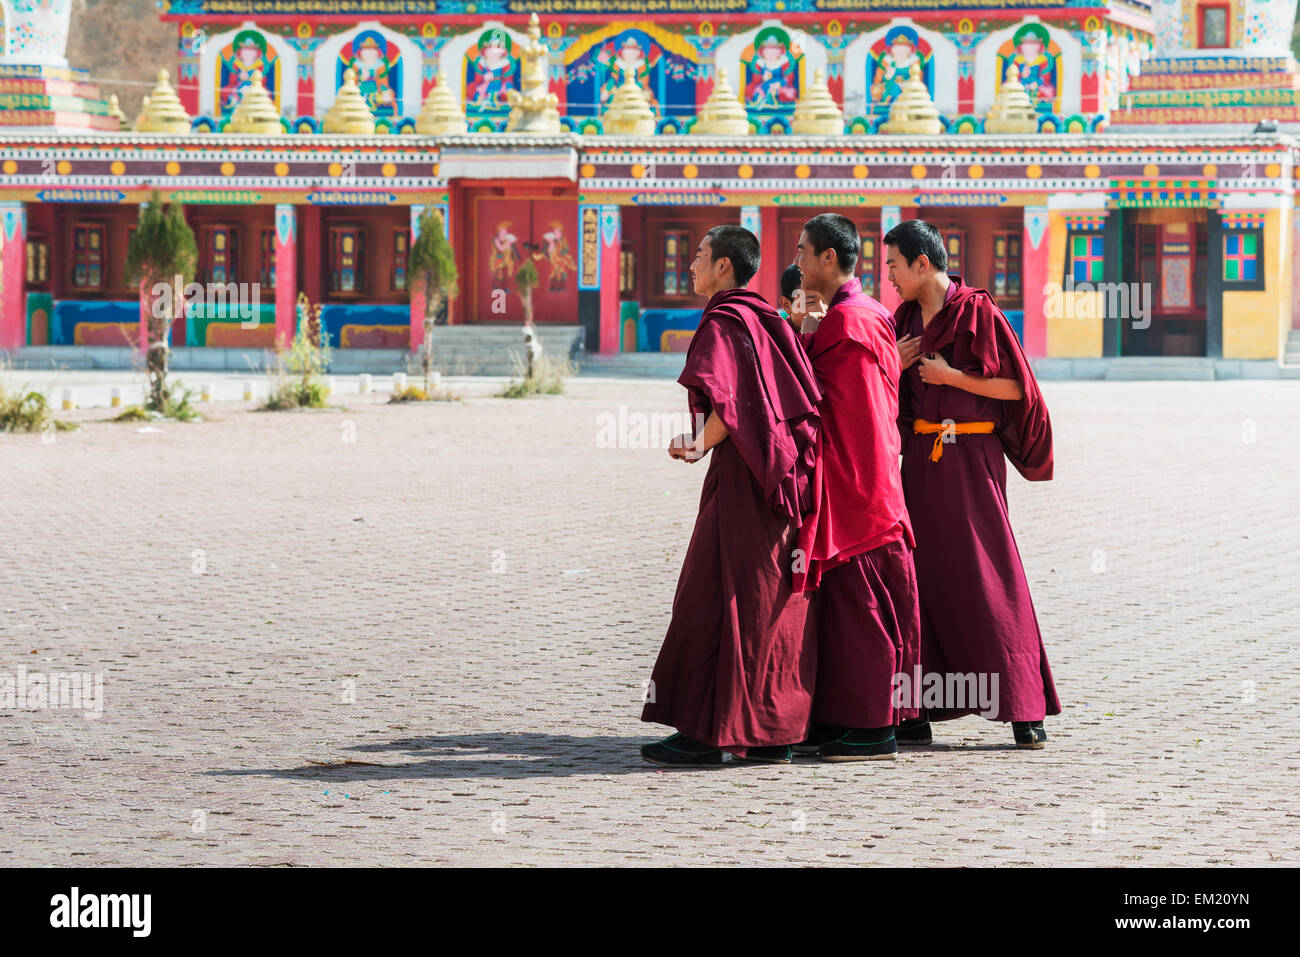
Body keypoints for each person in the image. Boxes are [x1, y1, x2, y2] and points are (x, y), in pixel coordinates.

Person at [640, 225, 823, 767]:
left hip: (745, 479)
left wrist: (699, 443)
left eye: (698, 256)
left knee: (715, 596)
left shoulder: (727, 317)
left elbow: (737, 402)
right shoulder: (764, 316)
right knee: (762, 597)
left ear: (724, 266)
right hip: (776, 476)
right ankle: (768, 732)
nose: (690, 264)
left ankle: (714, 733)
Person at [886, 219, 1059, 749]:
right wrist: (895, 364)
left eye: (893, 265)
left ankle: (1022, 707)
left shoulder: (978, 311)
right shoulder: (905, 319)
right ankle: (916, 710)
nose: (888, 276)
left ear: (922, 263)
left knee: (989, 571)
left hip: (971, 457)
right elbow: (880, 389)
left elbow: (1017, 387)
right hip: (919, 459)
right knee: (919, 575)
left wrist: (953, 378)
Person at [790, 213, 921, 762]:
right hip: (864, 481)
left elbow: (860, 414)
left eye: (802, 252)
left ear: (827, 259)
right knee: (848, 610)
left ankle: (872, 728)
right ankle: (846, 718)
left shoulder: (849, 321)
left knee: (861, 609)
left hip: (858, 486)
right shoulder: (857, 314)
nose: (795, 262)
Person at [777, 263, 825, 334]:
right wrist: (807, 337)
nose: (823, 311)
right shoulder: (777, 339)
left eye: (827, 300)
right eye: (810, 302)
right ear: (787, 305)